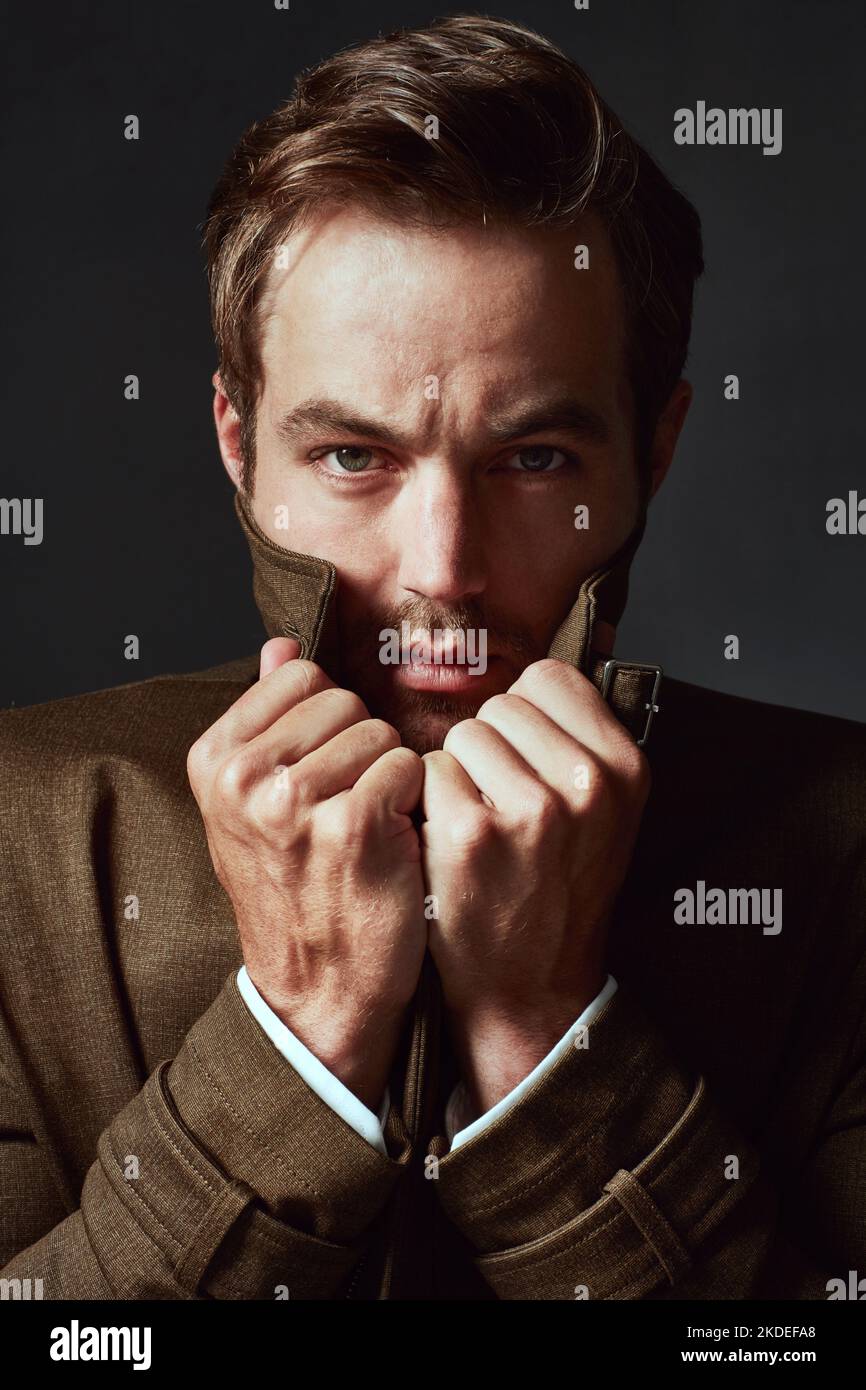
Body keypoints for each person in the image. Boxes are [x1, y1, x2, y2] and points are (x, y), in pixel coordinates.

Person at [1, 14, 863, 1302]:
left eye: (533, 460)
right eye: (352, 457)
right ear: (238, 445)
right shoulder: (17, 846)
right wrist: (294, 1046)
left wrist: (545, 1050)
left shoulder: (846, 858)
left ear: (655, 453)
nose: (443, 567)